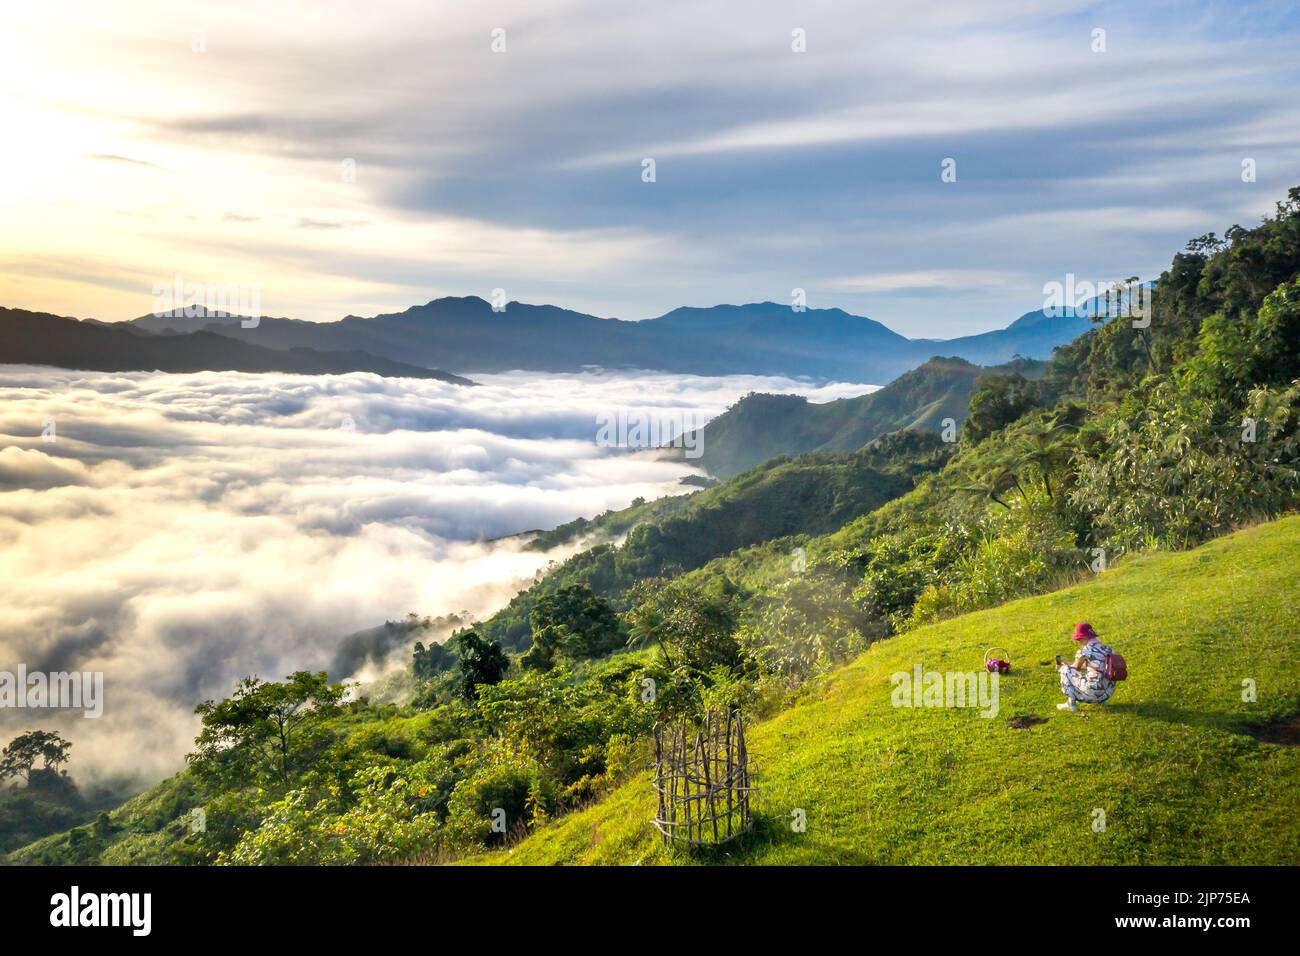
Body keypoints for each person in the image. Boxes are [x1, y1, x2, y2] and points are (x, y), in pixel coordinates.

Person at [1056, 622, 1115, 712]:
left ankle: (1070, 704)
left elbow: (1074, 669)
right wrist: (1068, 663)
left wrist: (1062, 667)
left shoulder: (1085, 650)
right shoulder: (1108, 649)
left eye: (1079, 639)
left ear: (1083, 637)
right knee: (1098, 674)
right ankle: (1102, 702)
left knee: (1065, 670)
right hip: (1107, 693)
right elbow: (1096, 666)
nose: (1079, 642)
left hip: (1093, 694)